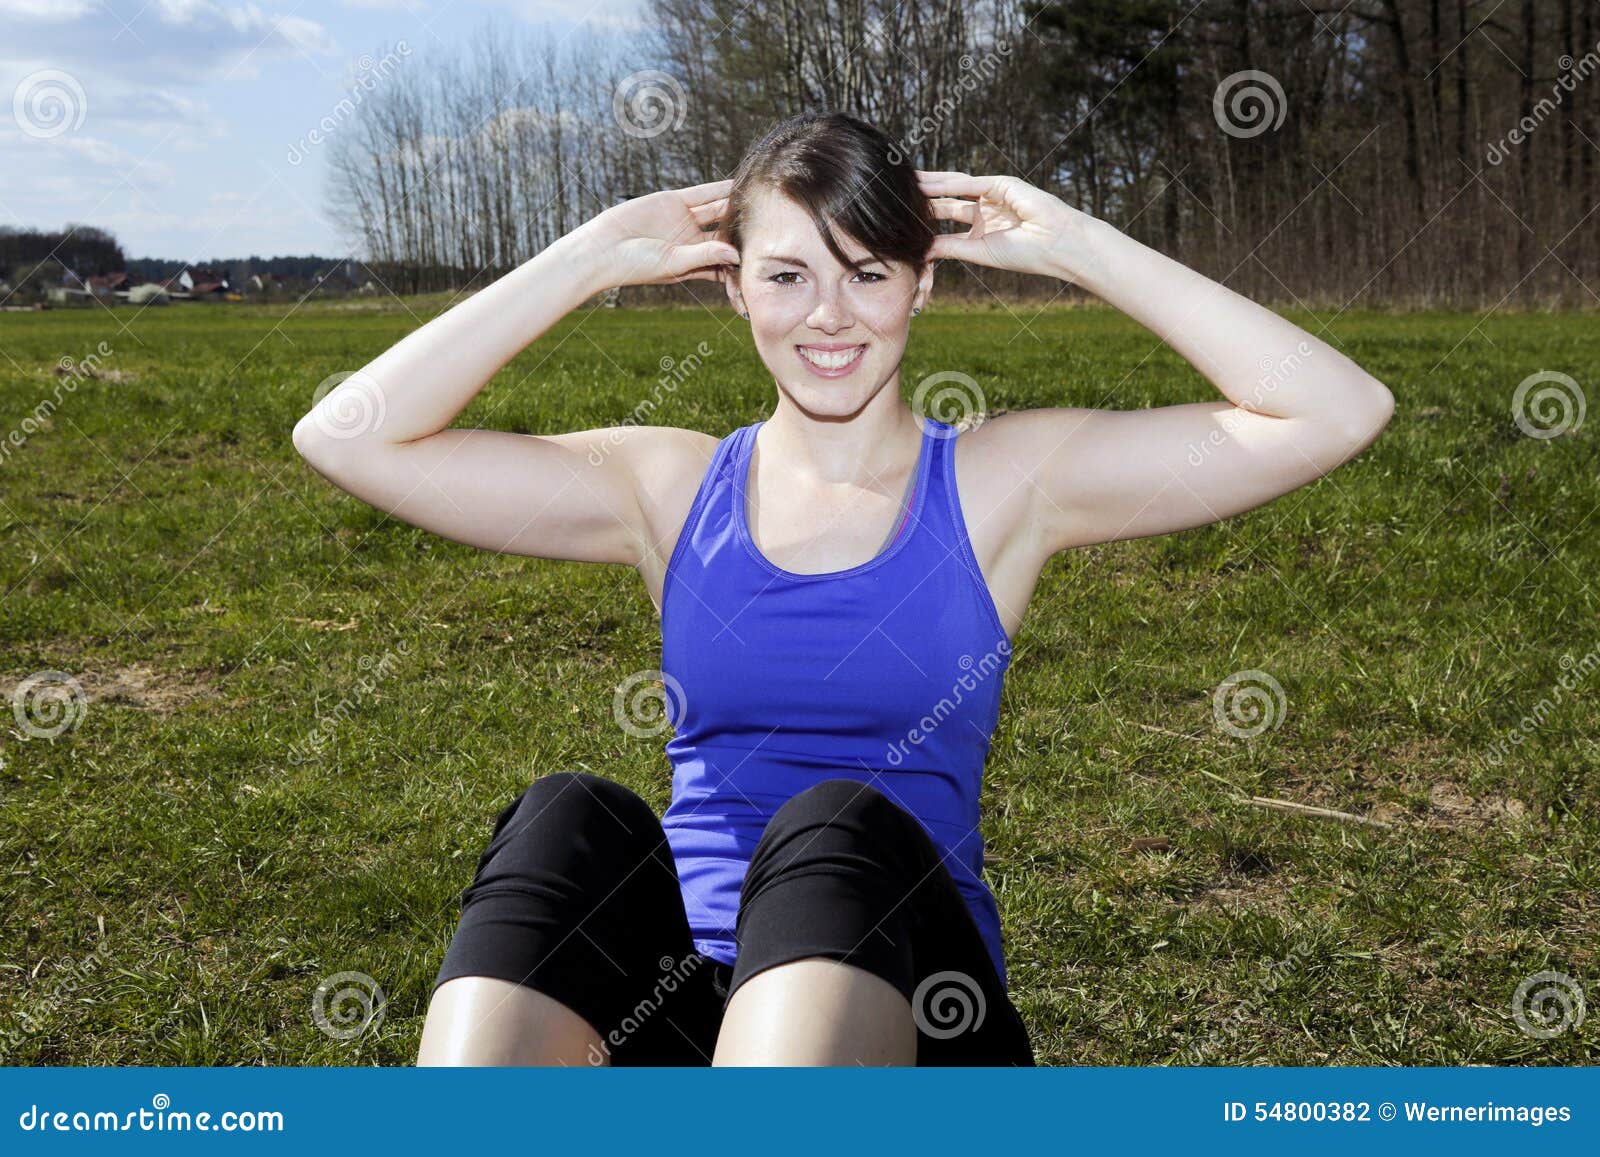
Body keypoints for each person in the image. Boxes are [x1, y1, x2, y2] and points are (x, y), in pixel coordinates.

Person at [292, 110, 1394, 1066]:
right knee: (566, 817)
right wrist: (589, 253)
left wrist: (1082, 245)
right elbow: (349, 438)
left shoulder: (1008, 482)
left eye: (867, 271)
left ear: (921, 282)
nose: (829, 316)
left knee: (835, 825)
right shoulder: (668, 487)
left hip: (910, 1017)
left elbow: (1333, 410)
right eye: (787, 274)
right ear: (731, 286)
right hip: (691, 1014)